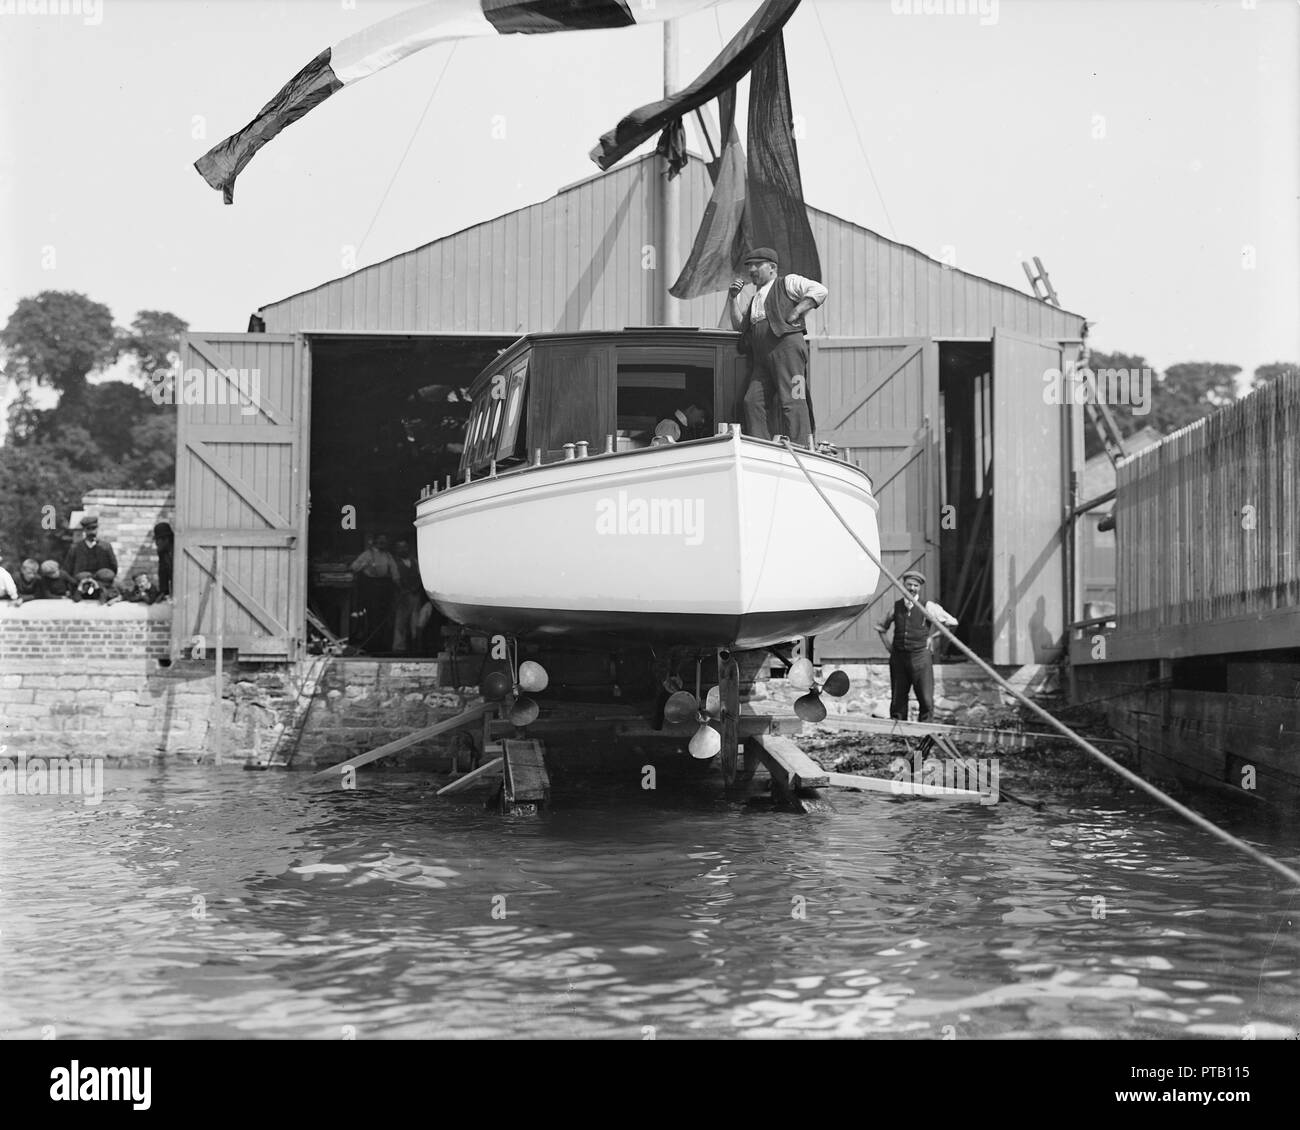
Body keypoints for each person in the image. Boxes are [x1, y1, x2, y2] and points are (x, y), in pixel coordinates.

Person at [726, 246, 828, 448]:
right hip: (761, 356)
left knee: (793, 399)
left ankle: (802, 447)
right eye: (749, 266)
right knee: (752, 401)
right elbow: (739, 325)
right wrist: (732, 298)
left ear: (772, 267)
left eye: (757, 265)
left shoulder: (787, 283)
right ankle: (761, 447)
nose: (752, 270)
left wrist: (797, 311)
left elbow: (820, 290)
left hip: (786, 348)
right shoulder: (754, 299)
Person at [876, 570, 958, 723]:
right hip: (899, 658)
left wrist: (933, 638)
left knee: (926, 698)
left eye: (915, 585)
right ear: (903, 586)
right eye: (909, 585)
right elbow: (881, 627)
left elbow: (952, 622)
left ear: (919, 588)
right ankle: (899, 734)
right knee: (898, 699)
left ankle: (925, 733)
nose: (912, 588)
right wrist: (889, 647)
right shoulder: (896, 606)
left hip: (920, 657)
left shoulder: (928, 606)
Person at [350, 534, 399, 653]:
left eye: (385, 541)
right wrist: (364, 564)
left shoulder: (387, 555)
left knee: (384, 617)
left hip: (385, 588)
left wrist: (398, 583)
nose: (383, 543)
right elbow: (354, 567)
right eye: (381, 540)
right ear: (376, 542)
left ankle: (383, 646)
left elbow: (394, 571)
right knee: (373, 617)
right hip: (371, 588)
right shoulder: (367, 554)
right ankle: (371, 645)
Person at [391, 539, 429, 654]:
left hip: (415, 596)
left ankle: (415, 647)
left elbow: (420, 576)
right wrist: (404, 591)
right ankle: (399, 648)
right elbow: (395, 579)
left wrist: (415, 589)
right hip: (401, 597)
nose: (403, 549)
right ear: (397, 549)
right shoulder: (394, 562)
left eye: (405, 547)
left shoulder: (415, 561)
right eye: (400, 547)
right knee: (400, 622)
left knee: (415, 621)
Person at [64, 516, 118, 584]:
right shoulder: (75, 547)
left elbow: (113, 566)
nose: (92, 532)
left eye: (94, 528)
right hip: (81, 584)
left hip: (102, 584)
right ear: (84, 530)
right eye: (88, 529)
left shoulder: (105, 547)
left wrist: (107, 578)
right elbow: (68, 568)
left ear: (97, 529)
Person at [152, 522, 174, 600]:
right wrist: (164, 592)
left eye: (158, 540)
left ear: (166, 539)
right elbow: (162, 572)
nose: (156, 543)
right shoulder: (162, 551)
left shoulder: (177, 550)